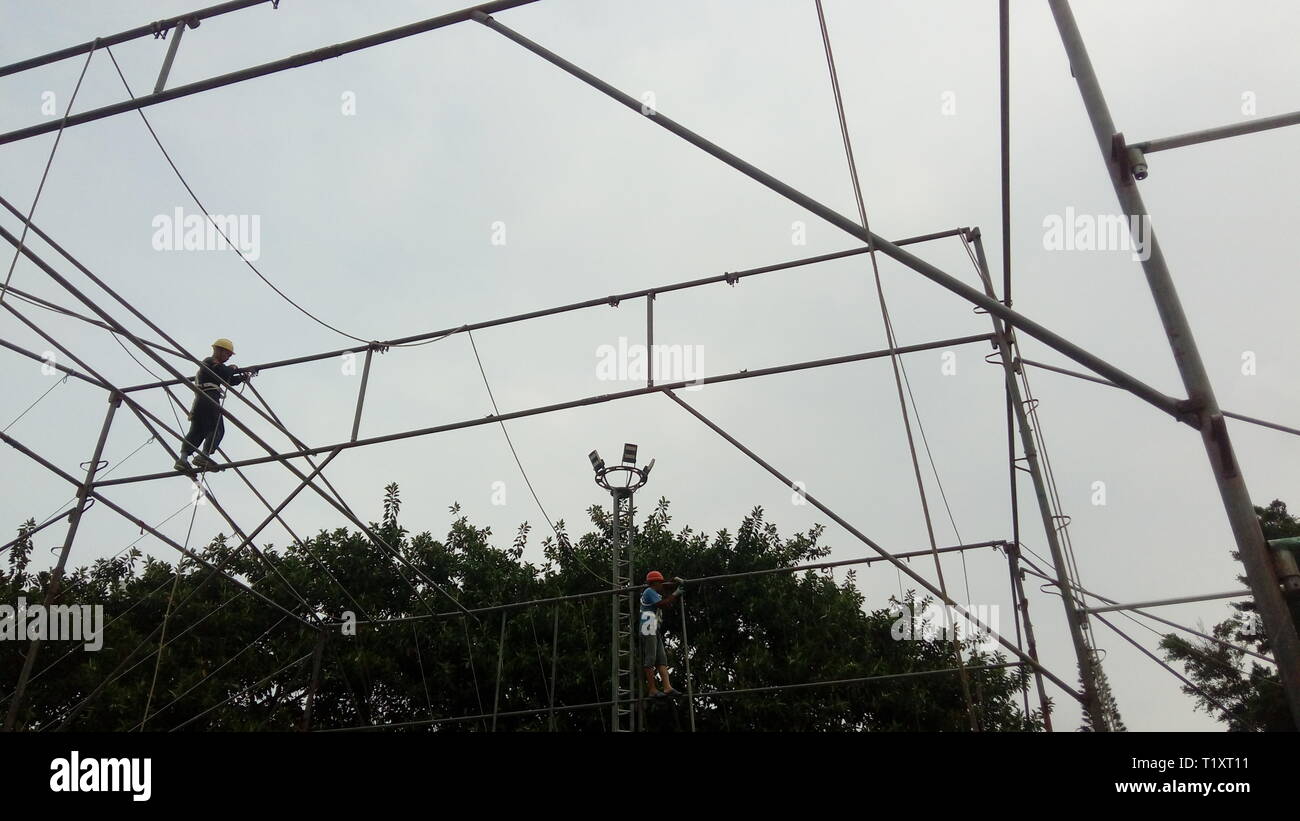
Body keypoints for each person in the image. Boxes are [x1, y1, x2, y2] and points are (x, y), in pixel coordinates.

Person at [174, 338, 254, 472]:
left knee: (198, 430)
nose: (228, 357)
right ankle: (204, 456)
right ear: (218, 350)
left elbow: (229, 379)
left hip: (201, 400)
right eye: (227, 354)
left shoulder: (213, 367)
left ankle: (183, 459)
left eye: (229, 355)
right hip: (209, 398)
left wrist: (242, 377)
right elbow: (226, 373)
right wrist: (232, 368)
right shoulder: (210, 361)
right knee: (217, 428)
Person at [640, 570, 686, 698]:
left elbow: (667, 602)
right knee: (650, 658)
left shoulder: (655, 593)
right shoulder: (649, 591)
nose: (662, 585)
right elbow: (662, 603)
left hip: (654, 627)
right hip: (647, 626)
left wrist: (674, 583)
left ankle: (667, 687)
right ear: (655, 583)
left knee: (661, 658)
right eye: (660, 582)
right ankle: (652, 690)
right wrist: (675, 593)